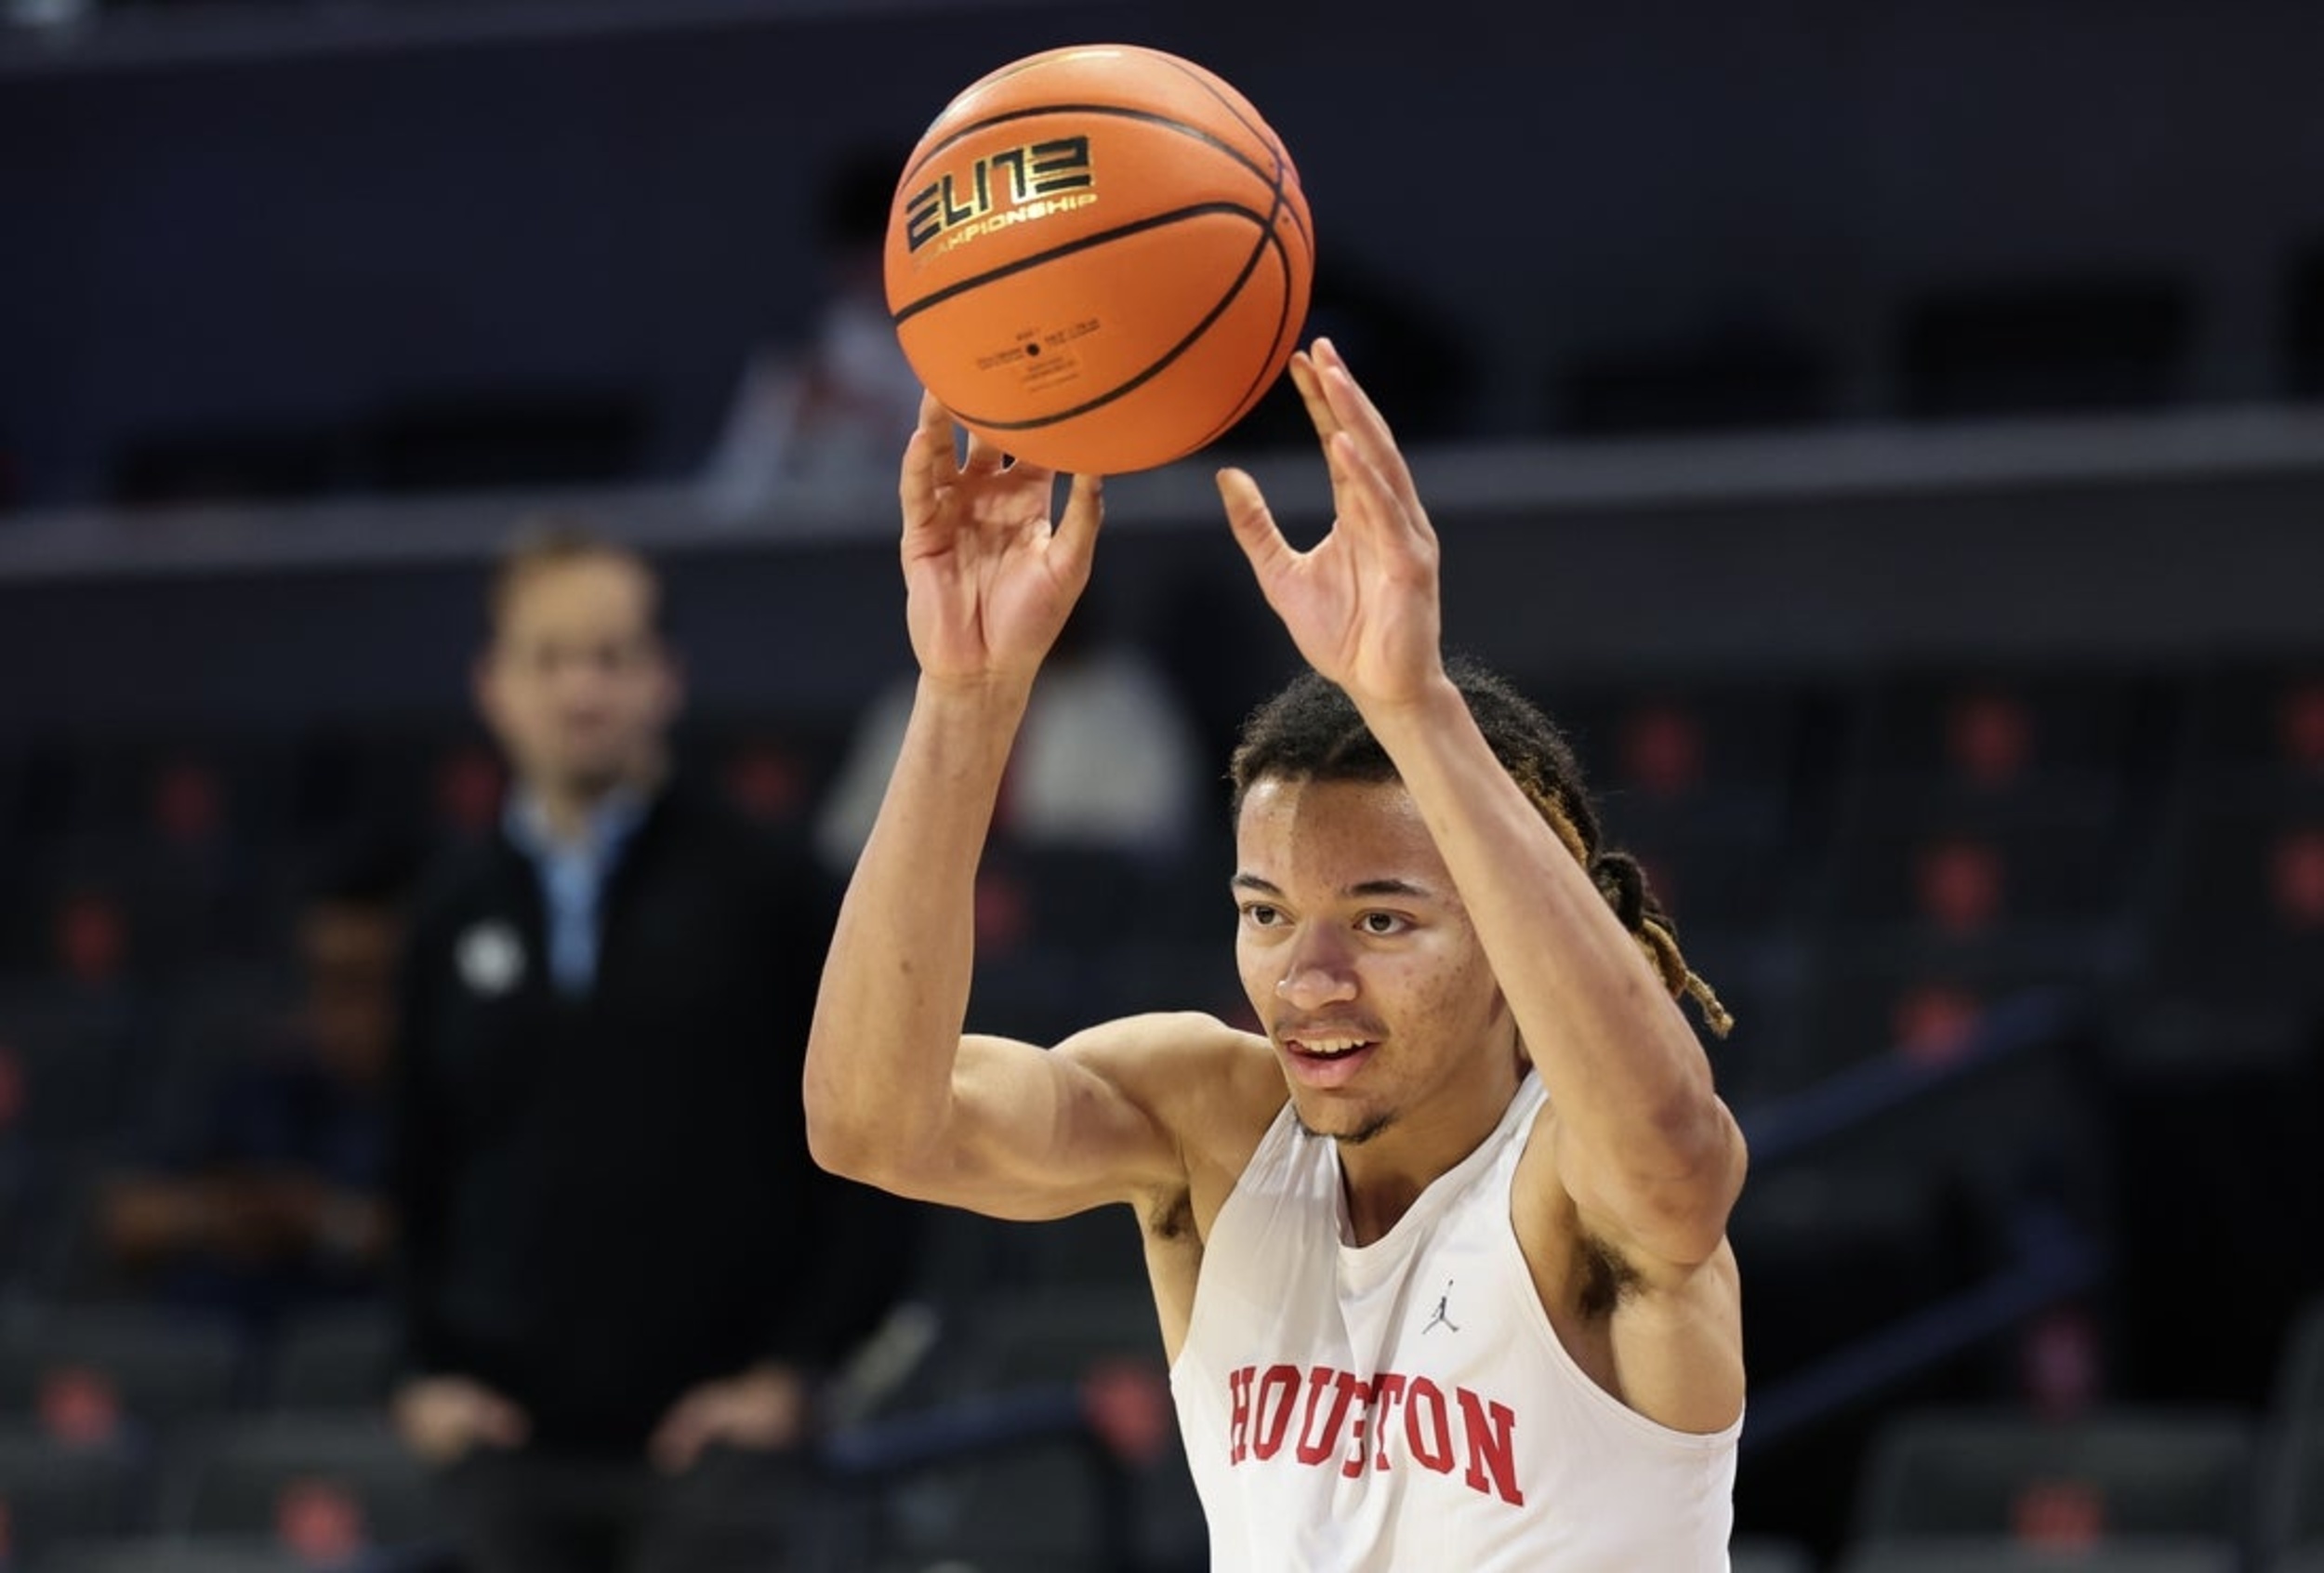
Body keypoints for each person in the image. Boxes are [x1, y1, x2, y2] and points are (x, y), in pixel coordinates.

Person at [803, 338, 1748, 1568]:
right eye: (1266, 913)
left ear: (1516, 925)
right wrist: (968, 695)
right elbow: (872, 1123)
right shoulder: (1212, 1121)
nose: (1308, 980)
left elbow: (1676, 1159)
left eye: (1382, 919)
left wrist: (1414, 706)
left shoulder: (1571, 1182)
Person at [389, 522, 912, 1573]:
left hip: (720, 1452)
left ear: (665, 677)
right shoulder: (446, 914)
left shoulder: (775, 892)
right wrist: (421, 1375)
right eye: (548, 658)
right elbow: (416, 1165)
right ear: (492, 684)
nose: (581, 689)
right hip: (509, 1453)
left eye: (611, 657)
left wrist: (798, 1374)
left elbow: (879, 1150)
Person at [98, 841, 411, 1332]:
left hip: (363, 1374)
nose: (329, 1010)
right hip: (207, 1365)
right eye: (316, 980)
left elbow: (466, 1253)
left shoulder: (460, 1099)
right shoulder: (262, 1083)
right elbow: (126, 1217)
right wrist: (217, 1215)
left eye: (356, 983)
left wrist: (322, 1222)